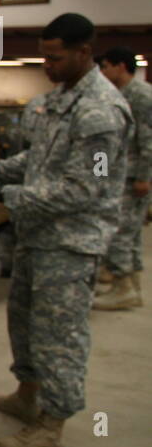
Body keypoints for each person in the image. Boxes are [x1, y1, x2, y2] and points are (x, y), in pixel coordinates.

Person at [0, 14, 132, 447]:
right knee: (25, 321)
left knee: (59, 334)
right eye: (44, 55)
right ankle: (27, 393)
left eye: (55, 57)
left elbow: (84, 188)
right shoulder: (60, 100)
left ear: (83, 52)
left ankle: (52, 424)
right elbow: (35, 163)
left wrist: (0, 192)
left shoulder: (100, 113)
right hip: (36, 235)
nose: (47, 64)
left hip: (71, 242)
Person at [92, 46, 151, 309]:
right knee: (130, 230)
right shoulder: (123, 94)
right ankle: (130, 283)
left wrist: (144, 177)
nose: (103, 72)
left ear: (121, 66)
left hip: (133, 175)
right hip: (126, 173)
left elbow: (149, 141)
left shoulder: (140, 96)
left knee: (120, 231)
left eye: (106, 66)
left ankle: (123, 285)